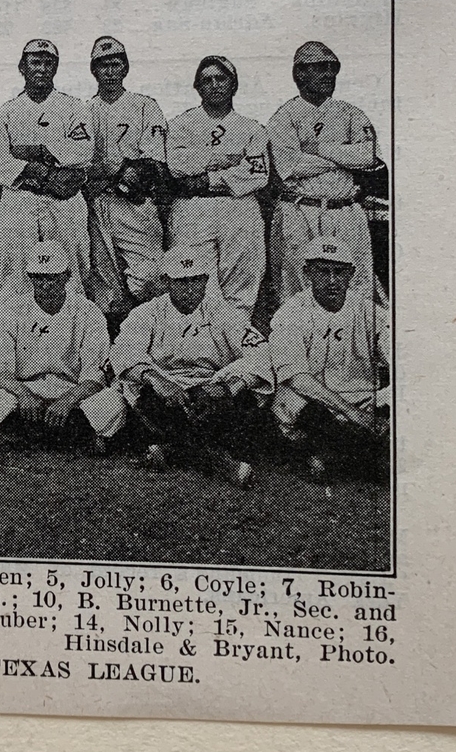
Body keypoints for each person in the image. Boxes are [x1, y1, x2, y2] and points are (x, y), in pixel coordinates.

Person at [83, 246, 270, 487]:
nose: (190, 290)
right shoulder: (147, 313)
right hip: (162, 391)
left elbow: (260, 351)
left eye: (196, 281)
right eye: (181, 282)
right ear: (165, 281)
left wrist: (228, 387)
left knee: (237, 403)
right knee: (150, 402)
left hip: (208, 388)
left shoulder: (223, 312)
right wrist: (156, 379)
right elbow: (123, 352)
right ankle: (217, 461)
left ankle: (172, 451)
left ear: (205, 280)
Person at [266, 41, 381, 305]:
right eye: (320, 68)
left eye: (333, 68)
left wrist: (318, 148)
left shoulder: (350, 112)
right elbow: (291, 166)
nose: (329, 74)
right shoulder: (284, 116)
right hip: (300, 211)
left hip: (346, 211)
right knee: (297, 289)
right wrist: (343, 157)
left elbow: (367, 156)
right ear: (299, 74)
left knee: (356, 288)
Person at [268, 238, 390, 480]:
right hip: (316, 406)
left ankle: (332, 455)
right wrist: (354, 415)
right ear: (307, 273)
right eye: (323, 272)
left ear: (352, 273)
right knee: (286, 397)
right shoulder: (291, 312)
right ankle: (358, 455)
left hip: (364, 400)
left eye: (340, 272)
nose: (332, 280)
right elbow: (298, 379)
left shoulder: (369, 311)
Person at [0, 241, 110, 454]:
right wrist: (23, 394)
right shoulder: (12, 308)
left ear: (67, 275)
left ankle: (16, 433)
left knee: (113, 401)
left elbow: (95, 375)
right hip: (24, 394)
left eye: (52, 277)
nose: (45, 285)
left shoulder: (88, 311)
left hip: (72, 393)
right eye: (38, 277)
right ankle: (76, 436)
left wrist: (69, 400)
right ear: (29, 277)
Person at [0, 38, 95, 305]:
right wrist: (42, 172)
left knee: (70, 267)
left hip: (63, 201)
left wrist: (34, 149)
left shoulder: (73, 107)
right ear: (22, 67)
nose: (42, 69)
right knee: (14, 271)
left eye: (48, 63)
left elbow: (82, 151)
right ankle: (14, 329)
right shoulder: (8, 111)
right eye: (35, 62)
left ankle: (71, 326)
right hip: (21, 197)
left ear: (56, 68)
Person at [164, 55, 269, 323]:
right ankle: (202, 349)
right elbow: (177, 165)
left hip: (240, 206)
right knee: (195, 279)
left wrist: (207, 176)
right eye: (206, 80)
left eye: (221, 78)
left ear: (234, 84)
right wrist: (226, 159)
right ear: (197, 87)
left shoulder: (251, 128)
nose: (214, 85)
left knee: (242, 283)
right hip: (194, 207)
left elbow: (258, 174)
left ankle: (236, 346)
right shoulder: (181, 124)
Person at [83, 36, 168, 321]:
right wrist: (118, 168)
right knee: (104, 283)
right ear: (93, 70)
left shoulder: (144, 106)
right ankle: (112, 352)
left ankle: (152, 336)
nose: (109, 71)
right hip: (95, 203)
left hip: (134, 203)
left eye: (115, 64)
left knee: (149, 277)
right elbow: (77, 164)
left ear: (125, 68)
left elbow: (153, 164)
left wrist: (112, 171)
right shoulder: (83, 111)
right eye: (102, 65)